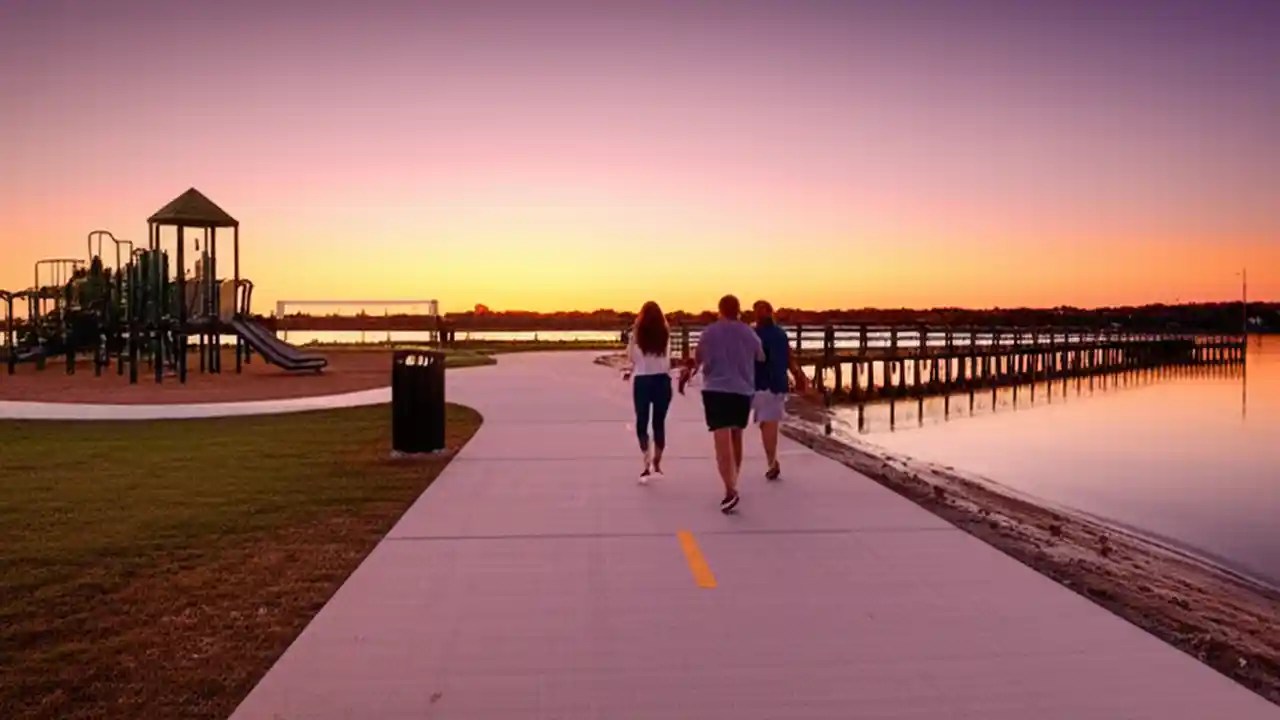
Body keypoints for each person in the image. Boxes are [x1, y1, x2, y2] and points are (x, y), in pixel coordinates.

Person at [692, 294, 764, 513]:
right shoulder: (748, 332)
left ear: (720, 310)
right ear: (739, 310)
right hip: (742, 390)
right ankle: (734, 479)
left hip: (715, 389)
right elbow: (760, 356)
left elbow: (698, 357)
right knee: (736, 435)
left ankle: (730, 489)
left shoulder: (709, 332)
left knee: (721, 438)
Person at [752, 299, 808, 480]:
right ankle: (772, 461)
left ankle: (772, 463)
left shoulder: (754, 334)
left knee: (768, 423)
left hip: (762, 384)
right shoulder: (781, 334)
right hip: (778, 383)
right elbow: (790, 358)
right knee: (768, 423)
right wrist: (799, 377)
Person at [623, 301, 673, 484]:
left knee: (642, 422)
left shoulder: (636, 334)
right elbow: (668, 360)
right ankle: (657, 463)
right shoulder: (665, 333)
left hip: (643, 380)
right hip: (662, 380)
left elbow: (631, 357)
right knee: (659, 422)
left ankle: (646, 460)